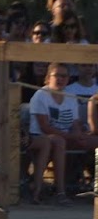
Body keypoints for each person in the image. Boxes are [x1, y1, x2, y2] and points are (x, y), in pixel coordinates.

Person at [27, 63, 91, 205]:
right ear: (48, 77)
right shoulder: (40, 95)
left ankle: (93, 184)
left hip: (65, 136)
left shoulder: (70, 96)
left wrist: (79, 134)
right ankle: (60, 192)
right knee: (58, 141)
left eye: (64, 76)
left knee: (92, 141)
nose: (61, 79)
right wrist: (71, 136)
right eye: (57, 75)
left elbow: (74, 123)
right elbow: (44, 127)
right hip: (39, 136)